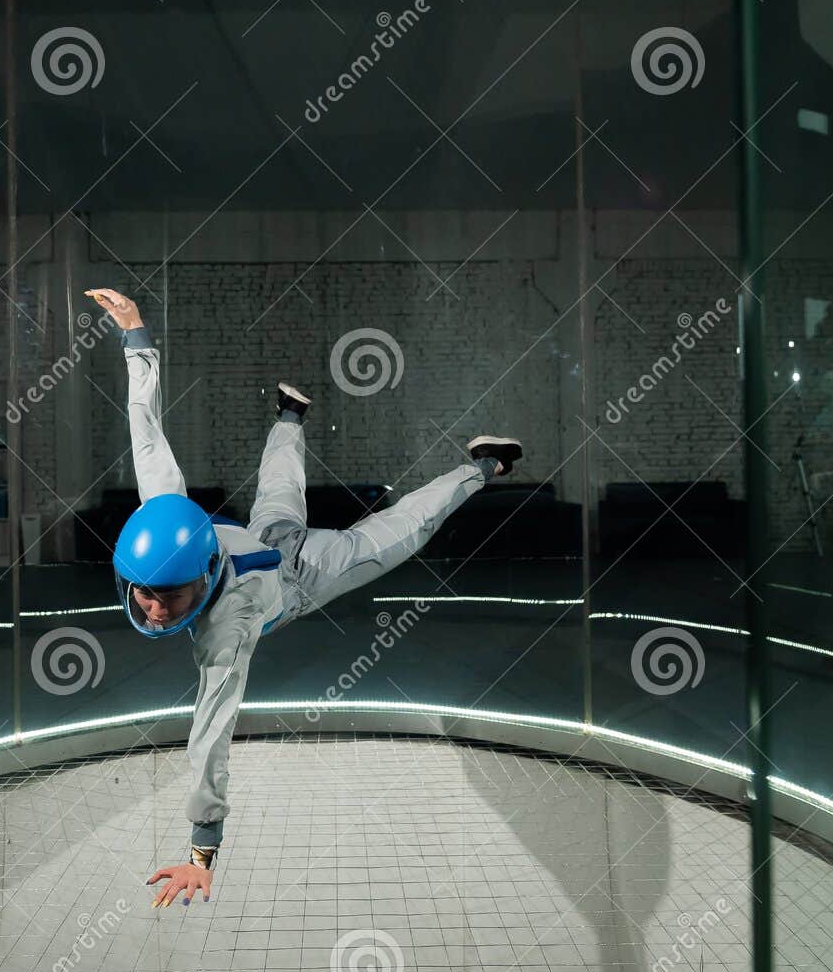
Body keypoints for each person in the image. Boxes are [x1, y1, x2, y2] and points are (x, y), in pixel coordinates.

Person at [85, 288, 522, 908]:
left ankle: (483, 467)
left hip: (299, 577)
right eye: (145, 594)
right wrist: (134, 337)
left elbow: (210, 732)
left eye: (170, 598)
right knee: (279, 492)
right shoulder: (164, 512)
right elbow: (146, 434)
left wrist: (202, 848)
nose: (154, 609)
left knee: (400, 532)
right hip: (259, 541)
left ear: (203, 576)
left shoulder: (225, 631)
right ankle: (289, 417)